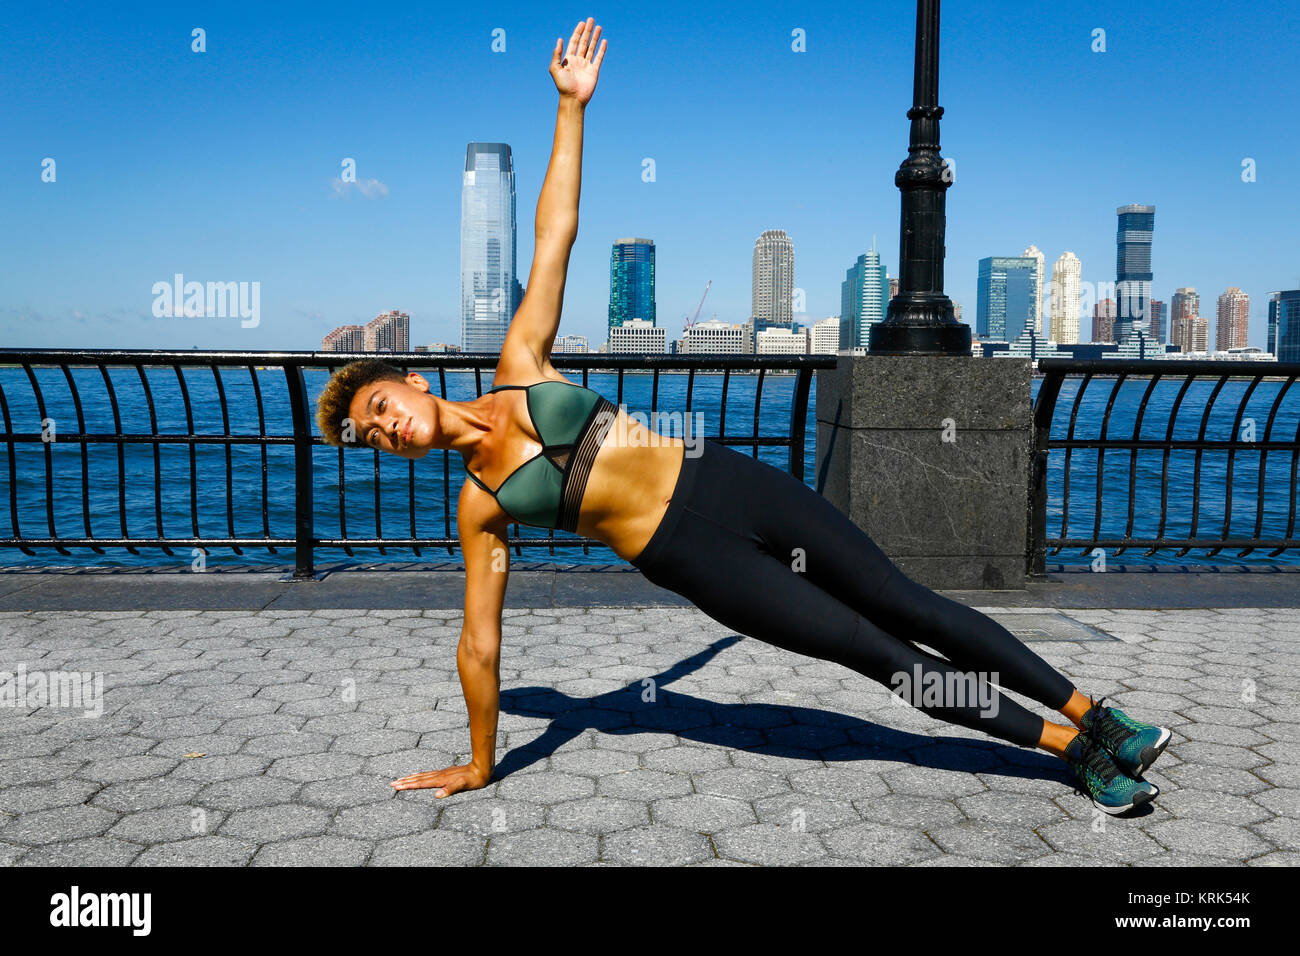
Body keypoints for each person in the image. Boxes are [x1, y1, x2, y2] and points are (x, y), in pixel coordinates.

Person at [314, 18, 1171, 815]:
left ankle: (1100, 714)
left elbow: (554, 235)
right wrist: (479, 759)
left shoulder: (520, 367)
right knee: (877, 655)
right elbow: (478, 644)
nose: (387, 428)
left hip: (725, 481)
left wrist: (569, 110)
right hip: (693, 558)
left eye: (382, 405)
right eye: (374, 434)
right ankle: (1071, 751)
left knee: (909, 604)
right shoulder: (481, 505)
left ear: (417, 381)